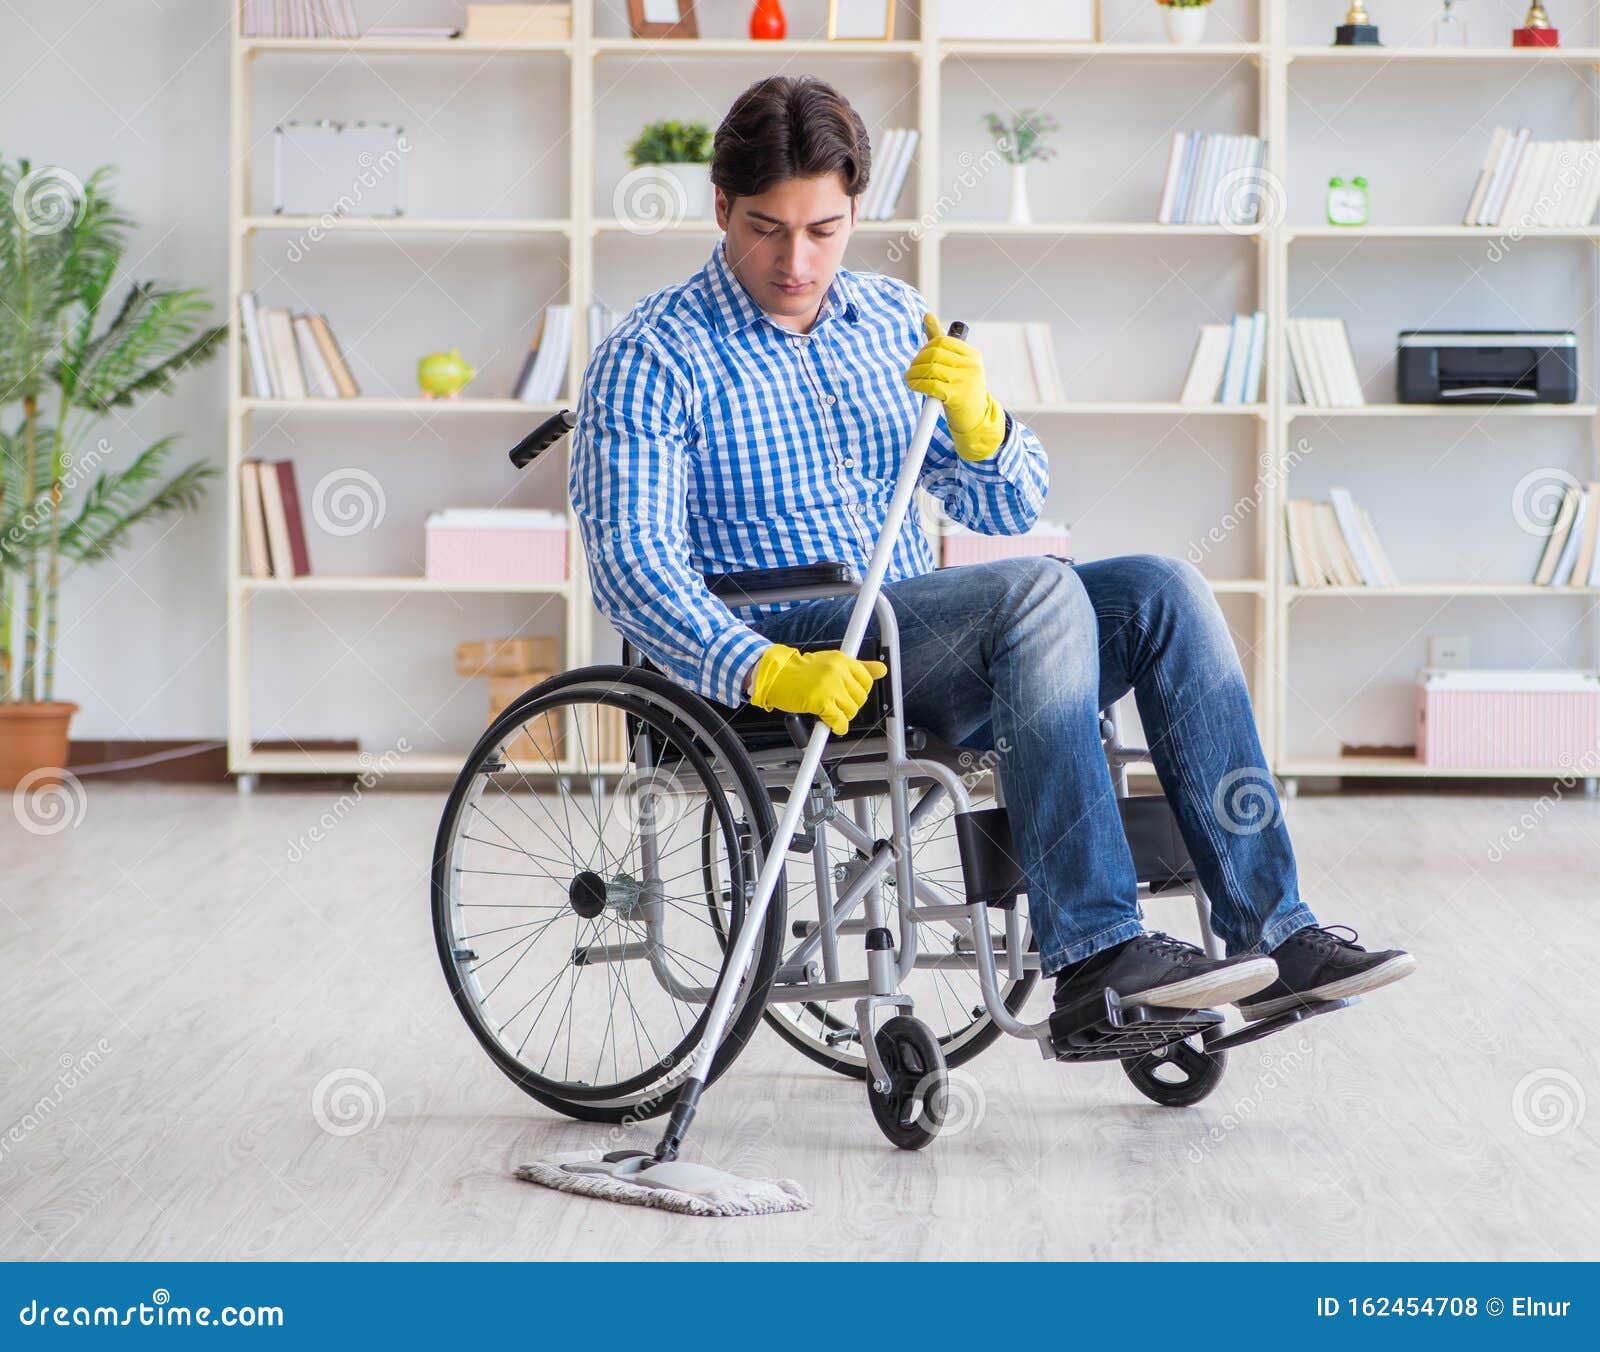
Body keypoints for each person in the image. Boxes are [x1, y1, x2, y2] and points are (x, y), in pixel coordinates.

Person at [569, 74, 1415, 1023]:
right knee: (1035, 595)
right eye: (767, 227)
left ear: (855, 210)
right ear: (720, 206)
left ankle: (1276, 929)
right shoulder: (652, 355)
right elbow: (630, 566)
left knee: (1163, 588)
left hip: (917, 633)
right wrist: (764, 668)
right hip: (795, 646)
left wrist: (981, 422)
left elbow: (1011, 505)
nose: (797, 261)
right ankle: (1097, 954)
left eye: (824, 229)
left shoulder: (888, 319)